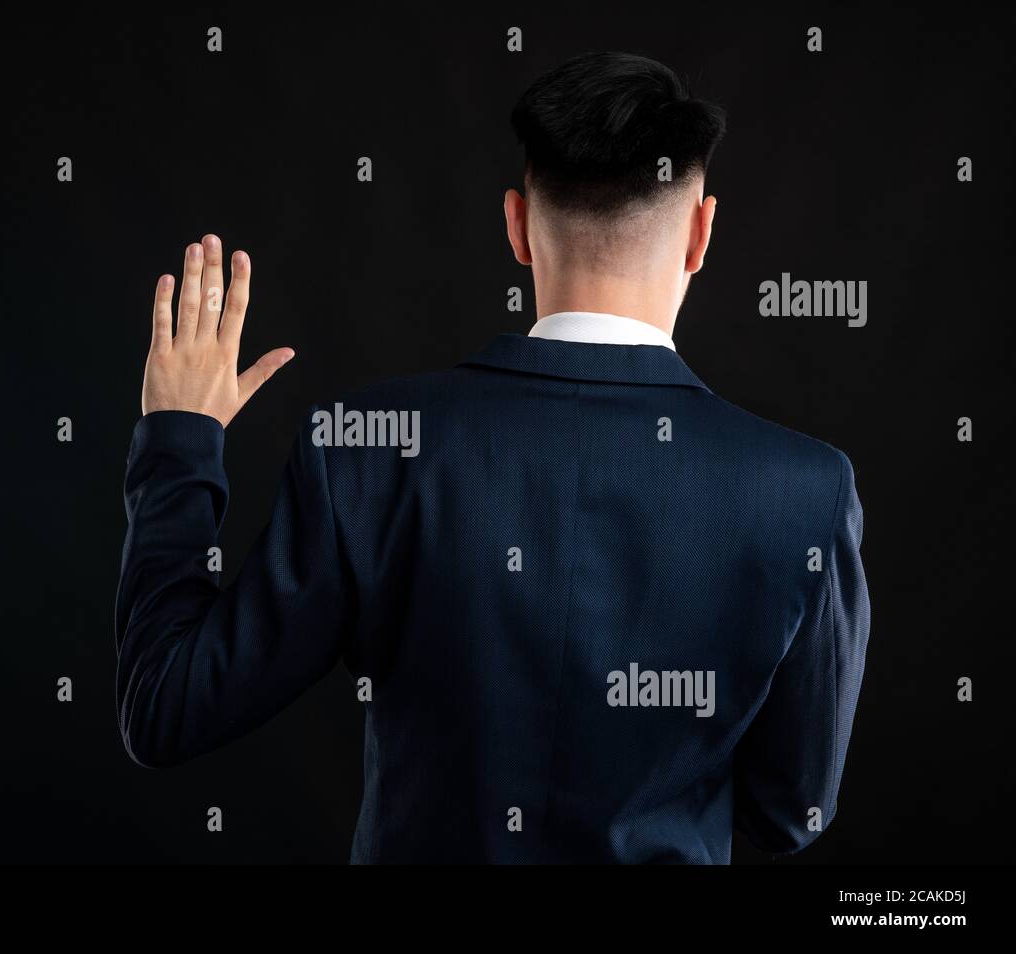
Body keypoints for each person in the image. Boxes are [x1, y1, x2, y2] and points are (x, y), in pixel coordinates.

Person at [114, 51, 871, 864]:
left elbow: (166, 708)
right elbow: (793, 813)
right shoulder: (805, 492)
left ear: (515, 224)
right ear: (700, 232)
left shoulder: (368, 449)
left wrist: (183, 438)